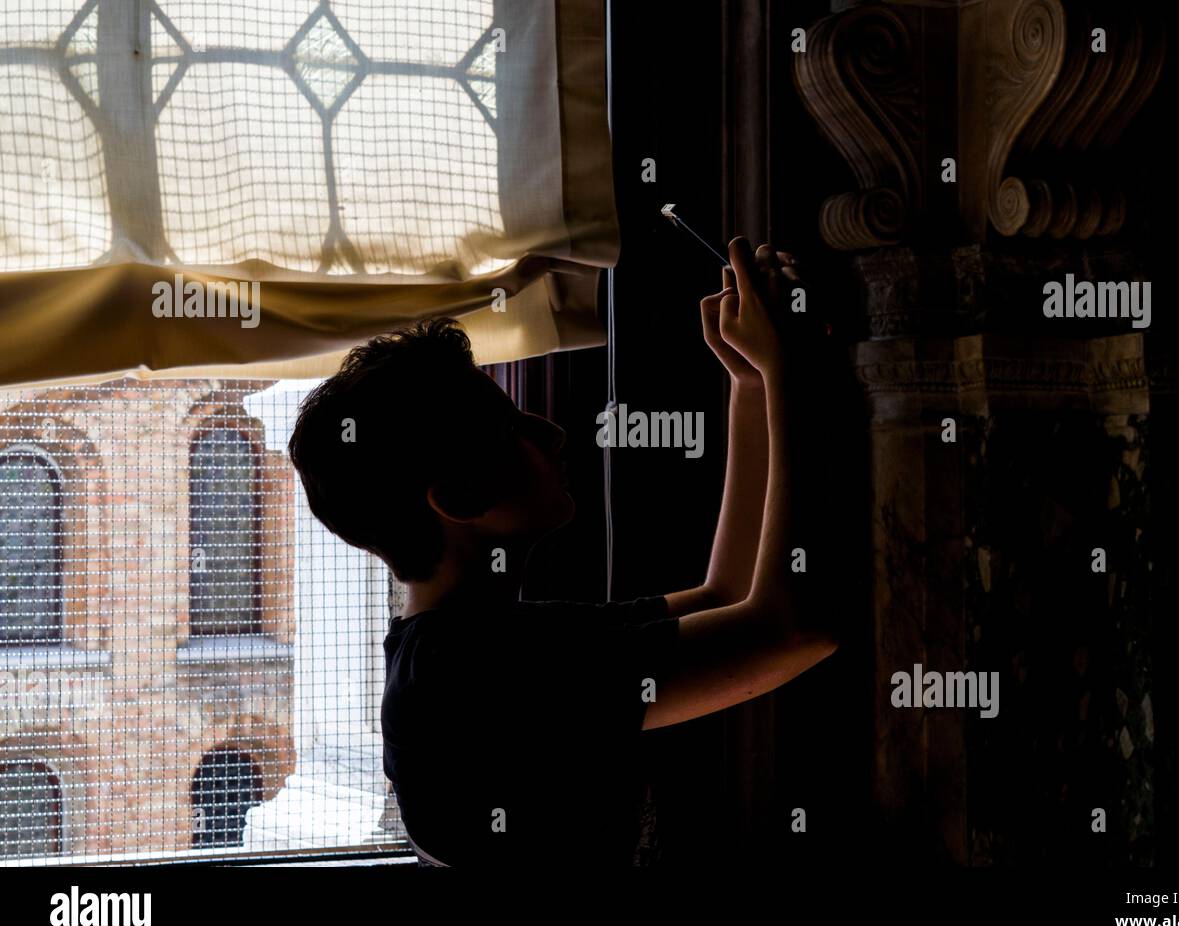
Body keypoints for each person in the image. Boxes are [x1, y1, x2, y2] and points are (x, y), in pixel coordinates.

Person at [287, 237, 842, 868]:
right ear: (458, 497)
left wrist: (749, 382)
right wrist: (792, 374)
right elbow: (796, 630)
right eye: (513, 429)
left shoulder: (467, 646)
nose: (552, 434)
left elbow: (727, 597)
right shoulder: (473, 674)